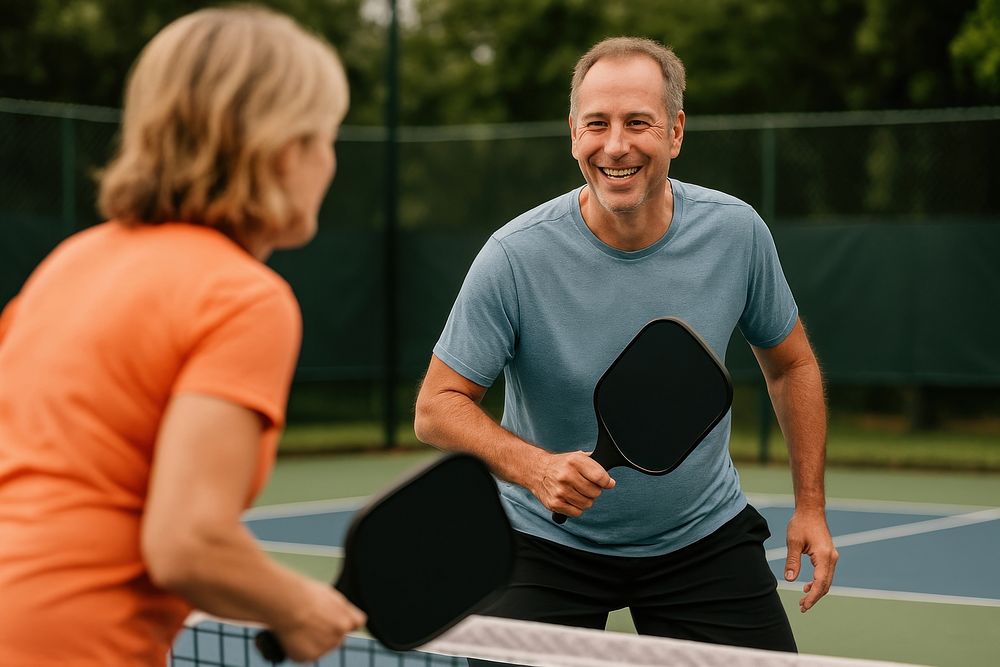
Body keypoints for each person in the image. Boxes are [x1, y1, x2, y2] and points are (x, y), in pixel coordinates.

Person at [414, 36, 838, 654]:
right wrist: (536, 468)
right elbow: (436, 406)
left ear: (675, 131)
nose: (616, 146)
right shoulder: (513, 256)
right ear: (573, 133)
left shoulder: (736, 233)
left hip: (700, 536)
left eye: (638, 122)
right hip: (544, 542)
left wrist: (810, 506)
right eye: (597, 124)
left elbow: (791, 365)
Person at [0, 6, 365, 665]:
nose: (328, 162)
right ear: (286, 151)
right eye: (323, 136)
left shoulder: (67, 264)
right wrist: (298, 605)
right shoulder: (244, 296)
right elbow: (187, 543)